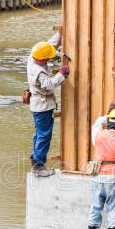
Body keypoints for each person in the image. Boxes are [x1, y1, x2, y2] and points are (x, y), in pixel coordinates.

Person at [27, 32, 69, 177]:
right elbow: (49, 85)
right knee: (44, 135)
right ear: (42, 59)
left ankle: (36, 159)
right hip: (42, 106)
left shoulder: (33, 57)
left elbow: (49, 46)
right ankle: (38, 166)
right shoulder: (38, 72)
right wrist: (62, 74)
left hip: (37, 105)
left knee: (39, 134)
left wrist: (60, 33)